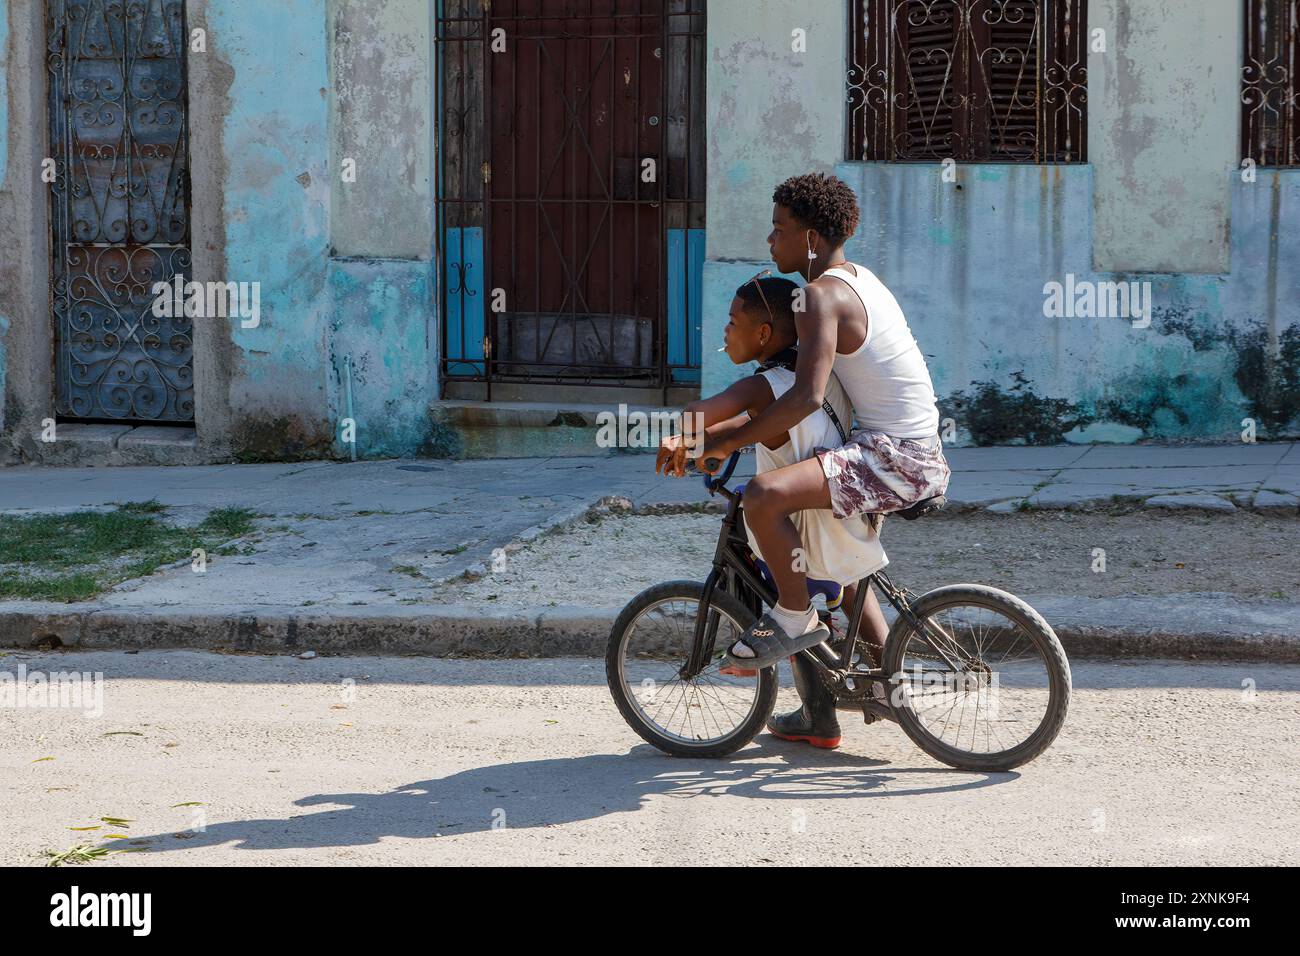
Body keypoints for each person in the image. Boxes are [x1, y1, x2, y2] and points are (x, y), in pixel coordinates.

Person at [695, 172, 951, 682]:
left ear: (810, 238)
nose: (770, 240)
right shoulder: (861, 278)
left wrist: (725, 440)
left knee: (764, 496)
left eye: (779, 229)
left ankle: (795, 616)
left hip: (892, 457)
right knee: (846, 570)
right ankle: (879, 693)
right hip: (913, 450)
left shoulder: (816, 297)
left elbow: (805, 395)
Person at [656, 273, 890, 748]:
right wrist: (717, 443)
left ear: (763, 334)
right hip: (841, 505)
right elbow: (760, 424)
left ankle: (823, 713)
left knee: (790, 603)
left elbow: (702, 412)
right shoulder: (813, 375)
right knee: (834, 589)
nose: (724, 331)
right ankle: (885, 679)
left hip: (808, 519)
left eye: (732, 321)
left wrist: (684, 433)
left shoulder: (763, 384)